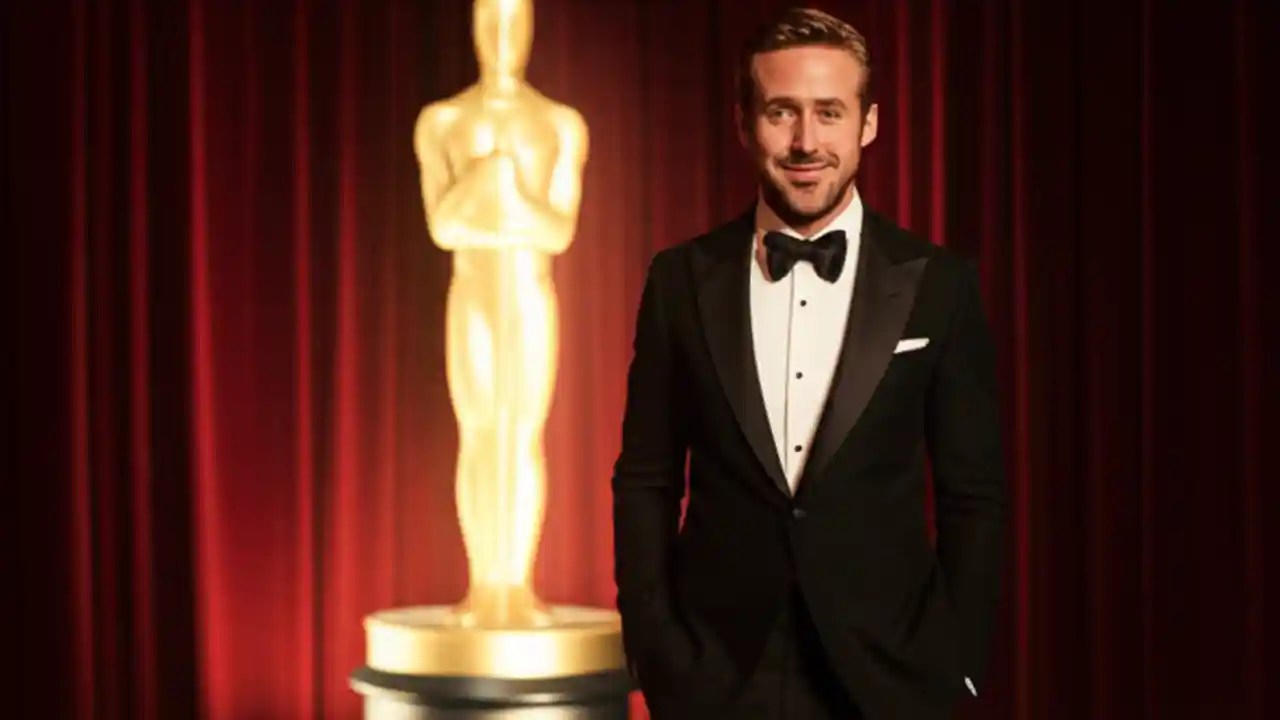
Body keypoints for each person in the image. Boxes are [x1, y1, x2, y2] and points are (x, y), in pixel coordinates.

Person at [611, 7, 1006, 719]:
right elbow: (646, 477)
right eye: (781, 112)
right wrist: (653, 645)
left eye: (829, 112)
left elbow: (973, 495)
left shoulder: (939, 285)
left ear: (869, 123)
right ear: (743, 123)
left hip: (889, 676)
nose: (805, 141)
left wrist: (958, 657)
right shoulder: (678, 280)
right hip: (715, 676)